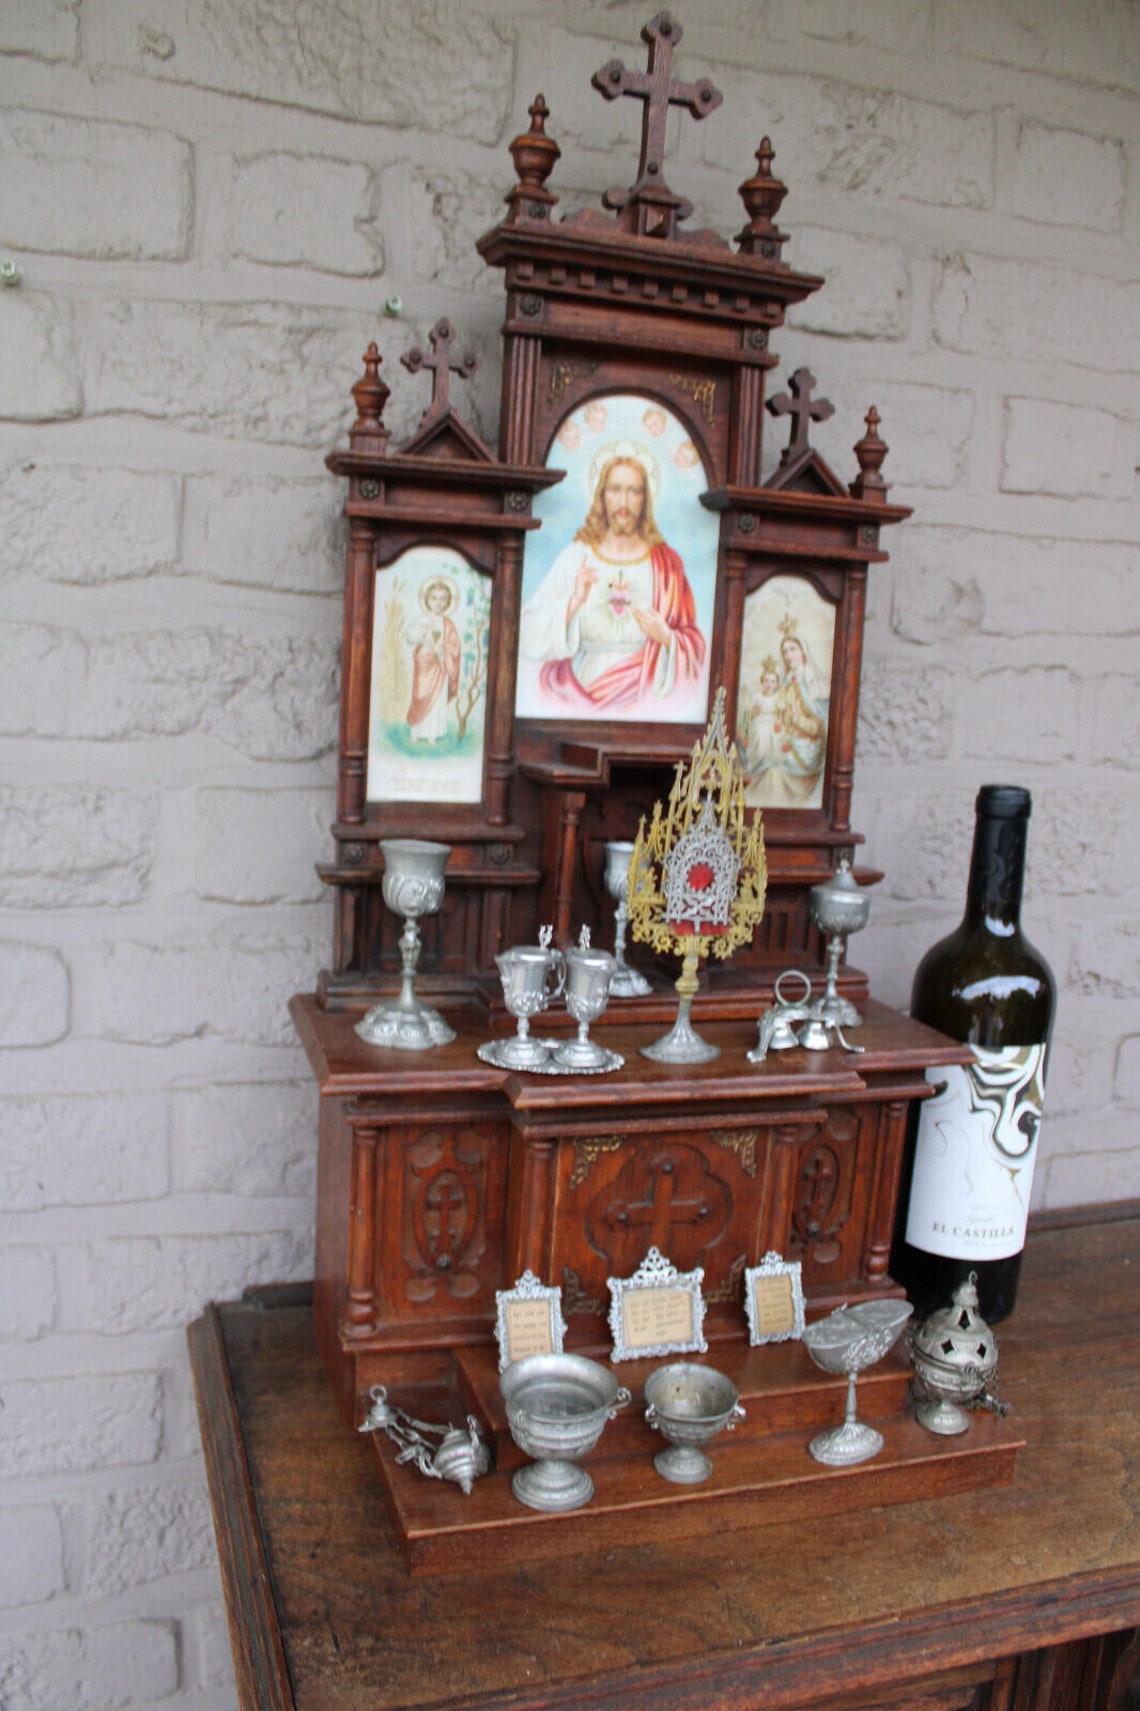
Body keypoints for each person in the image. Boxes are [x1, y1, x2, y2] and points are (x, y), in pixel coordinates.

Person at [519, 456, 705, 709]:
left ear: (645, 500)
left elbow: (696, 648)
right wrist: (572, 605)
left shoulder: (667, 566)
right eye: (615, 490)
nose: (624, 503)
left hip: (647, 696)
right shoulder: (575, 558)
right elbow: (526, 630)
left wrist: (668, 638)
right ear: (602, 496)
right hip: (580, 693)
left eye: (634, 491)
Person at [405, 578, 461, 741]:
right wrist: (422, 635)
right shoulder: (423, 619)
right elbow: (409, 636)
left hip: (440, 665)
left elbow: (455, 646)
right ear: (428, 600)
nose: (438, 603)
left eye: (443, 599)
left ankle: (432, 734)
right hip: (424, 663)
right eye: (434, 598)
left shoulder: (448, 624)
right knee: (420, 695)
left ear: (448, 602)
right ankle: (417, 731)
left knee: (436, 699)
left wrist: (443, 647)